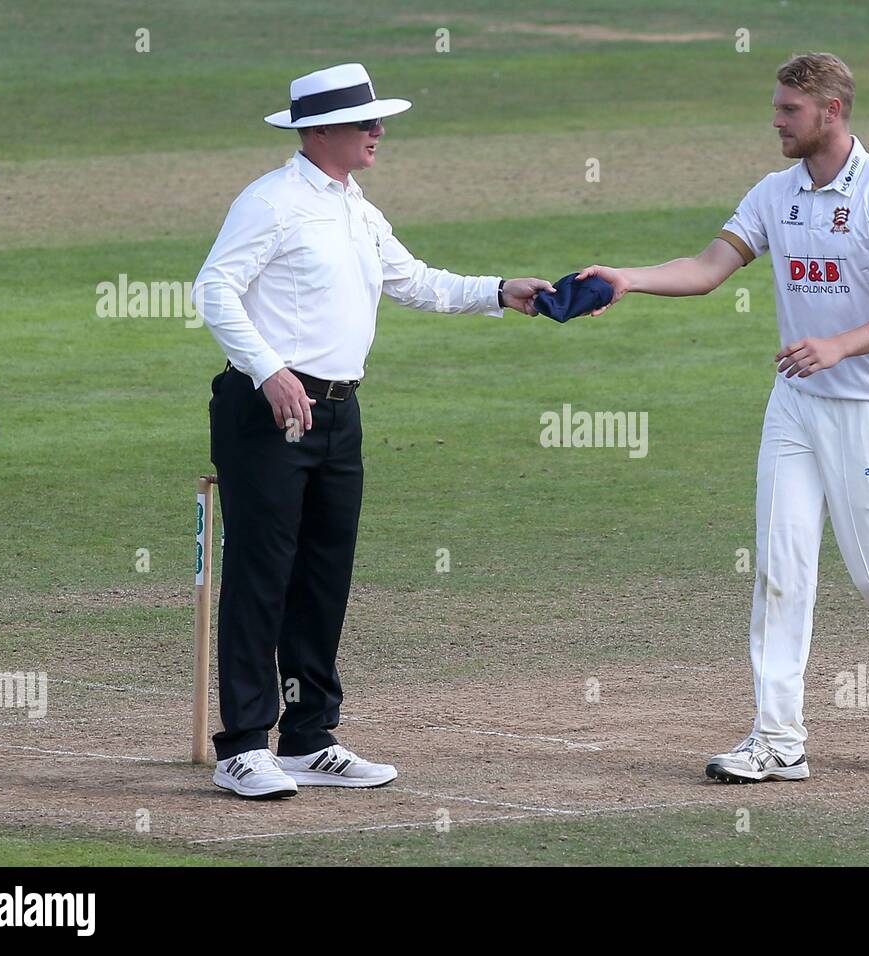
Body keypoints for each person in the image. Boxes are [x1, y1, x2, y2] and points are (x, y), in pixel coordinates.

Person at [578, 53, 869, 783]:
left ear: (830, 111)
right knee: (780, 566)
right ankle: (777, 738)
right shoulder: (776, 194)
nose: (775, 120)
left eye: (788, 110)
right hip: (796, 406)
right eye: (776, 108)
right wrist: (630, 278)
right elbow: (709, 268)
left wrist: (837, 345)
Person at [193, 63, 554, 799]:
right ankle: (240, 747)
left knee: (322, 576)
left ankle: (305, 737)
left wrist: (501, 291)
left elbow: (413, 280)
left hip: (339, 412)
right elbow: (215, 288)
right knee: (262, 574)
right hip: (266, 413)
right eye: (365, 123)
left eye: (377, 121)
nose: (378, 132)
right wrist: (267, 369)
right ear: (318, 131)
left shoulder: (357, 207)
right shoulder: (272, 201)